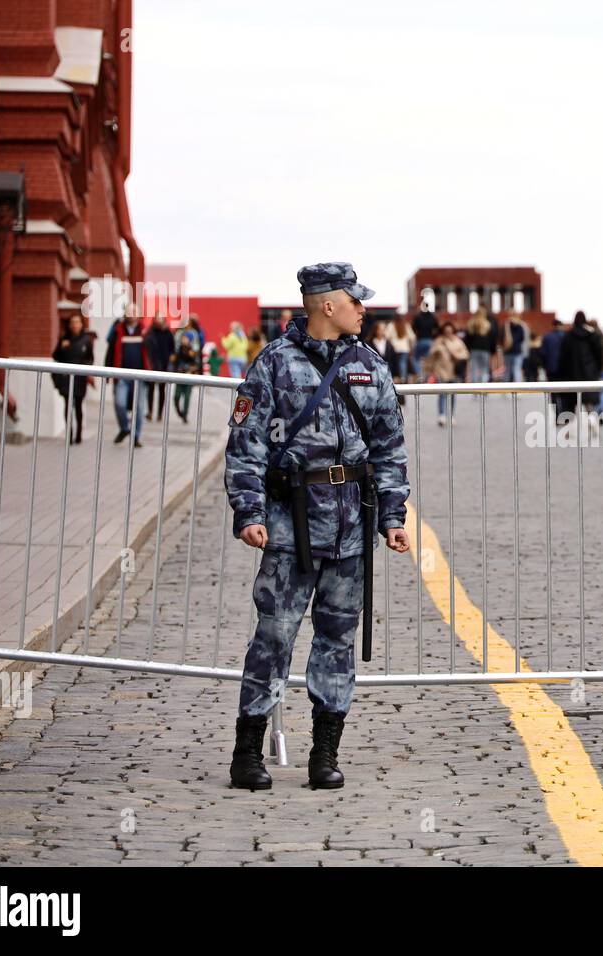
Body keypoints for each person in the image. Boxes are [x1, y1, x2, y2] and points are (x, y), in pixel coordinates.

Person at [225, 262, 410, 791]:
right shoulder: (274, 366)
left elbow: (389, 447)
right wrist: (250, 513)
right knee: (275, 635)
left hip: (351, 528)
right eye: (355, 300)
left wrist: (392, 517)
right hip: (290, 526)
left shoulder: (369, 367)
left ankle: (324, 754)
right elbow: (247, 445)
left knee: (336, 639)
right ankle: (247, 753)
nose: (362, 309)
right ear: (327, 304)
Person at [103, 310, 151, 447]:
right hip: (121, 376)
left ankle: (136, 436)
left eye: (135, 311)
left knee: (139, 408)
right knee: (120, 403)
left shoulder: (145, 331)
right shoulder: (117, 329)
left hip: (141, 376)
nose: (132, 314)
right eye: (130, 311)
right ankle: (124, 428)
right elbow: (110, 351)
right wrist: (107, 373)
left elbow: (152, 352)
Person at [51, 313, 96, 444]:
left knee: (78, 405)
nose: (75, 325)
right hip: (66, 378)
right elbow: (55, 355)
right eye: (73, 322)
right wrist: (61, 347)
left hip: (80, 378)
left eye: (77, 322)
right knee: (67, 405)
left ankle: (79, 434)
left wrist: (86, 370)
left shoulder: (86, 340)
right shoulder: (64, 339)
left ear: (81, 324)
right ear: (69, 325)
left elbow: (90, 358)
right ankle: (69, 433)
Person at [555, 311, 603, 432]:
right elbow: (599, 355)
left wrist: (560, 374)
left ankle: (569, 428)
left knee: (571, 403)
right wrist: (597, 370)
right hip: (589, 374)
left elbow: (562, 357)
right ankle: (591, 418)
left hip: (571, 374)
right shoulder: (592, 336)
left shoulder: (568, 336)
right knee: (589, 402)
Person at [426, 321, 469, 425]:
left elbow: (465, 354)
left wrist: (455, 355)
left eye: (450, 331)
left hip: (454, 371)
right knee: (442, 393)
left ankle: (451, 415)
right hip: (441, 371)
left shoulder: (458, 342)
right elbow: (431, 354)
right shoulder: (439, 341)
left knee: (453, 394)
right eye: (446, 331)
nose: (448, 333)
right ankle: (441, 414)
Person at [172, 317, 203, 424]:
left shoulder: (193, 350)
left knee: (187, 397)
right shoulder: (179, 349)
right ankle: (180, 413)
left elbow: (197, 363)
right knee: (176, 397)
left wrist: (192, 369)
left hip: (189, 374)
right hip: (180, 374)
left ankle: (185, 415)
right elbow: (174, 360)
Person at [144, 315, 175, 421]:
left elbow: (172, 348)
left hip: (164, 365)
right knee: (151, 389)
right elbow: (146, 346)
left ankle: (160, 414)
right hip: (152, 365)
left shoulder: (168, 333)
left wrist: (169, 360)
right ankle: (150, 411)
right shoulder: (150, 332)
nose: (159, 320)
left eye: (161, 318)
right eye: (157, 318)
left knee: (162, 390)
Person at [464, 307, 497, 383]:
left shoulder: (471, 324)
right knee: (484, 369)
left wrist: (468, 349)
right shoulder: (487, 324)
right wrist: (493, 350)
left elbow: (467, 339)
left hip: (474, 349)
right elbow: (492, 339)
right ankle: (484, 387)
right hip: (485, 349)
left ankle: (475, 388)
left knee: (474, 369)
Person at [411, 301, 439, 379]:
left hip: (421, 340)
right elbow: (437, 328)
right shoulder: (433, 317)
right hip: (430, 340)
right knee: (428, 360)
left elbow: (413, 327)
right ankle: (428, 376)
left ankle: (420, 374)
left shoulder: (418, 317)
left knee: (415, 358)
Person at [502, 311, 530, 383]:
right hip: (517, 351)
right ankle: (518, 388)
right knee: (517, 370)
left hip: (507, 351)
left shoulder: (506, 325)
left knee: (507, 371)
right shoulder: (520, 326)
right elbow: (523, 339)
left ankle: (506, 389)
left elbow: (502, 338)